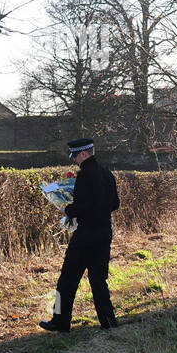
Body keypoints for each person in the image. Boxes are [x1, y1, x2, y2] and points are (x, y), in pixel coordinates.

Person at [40, 138, 121, 332]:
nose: (75, 160)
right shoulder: (107, 174)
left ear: (84, 154)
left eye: (75, 156)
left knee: (66, 280)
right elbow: (116, 204)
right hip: (104, 232)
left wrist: (67, 210)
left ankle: (59, 321)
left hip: (86, 234)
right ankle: (108, 322)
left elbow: (81, 206)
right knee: (99, 279)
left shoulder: (85, 175)